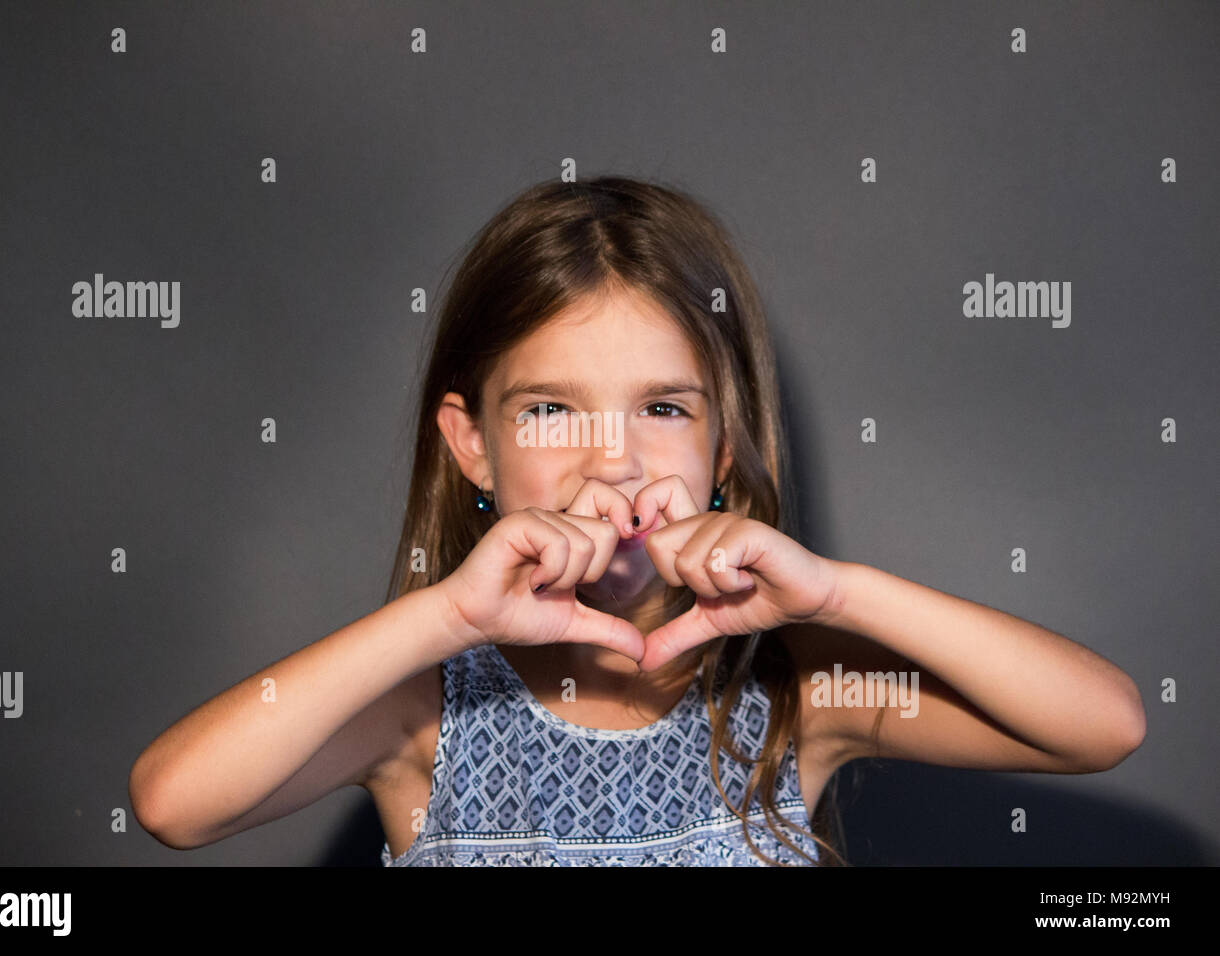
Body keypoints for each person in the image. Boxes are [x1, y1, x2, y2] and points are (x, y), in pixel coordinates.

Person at [128, 176, 1146, 866]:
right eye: (550, 408)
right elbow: (174, 800)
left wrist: (837, 590)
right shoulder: (425, 711)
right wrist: (445, 615)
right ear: (472, 441)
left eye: (662, 408)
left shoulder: (797, 688)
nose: (612, 458)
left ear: (721, 444)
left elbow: (1104, 722)